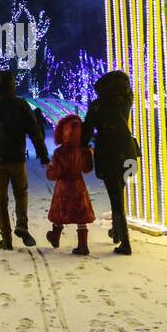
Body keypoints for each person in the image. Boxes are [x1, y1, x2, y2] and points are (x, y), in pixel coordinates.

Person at [0, 70, 49, 249]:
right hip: (17, 159)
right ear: (13, 84)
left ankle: (6, 239)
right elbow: (35, 132)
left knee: (1, 199)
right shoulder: (21, 105)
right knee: (21, 193)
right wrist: (44, 157)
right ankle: (21, 224)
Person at [80, 70, 139, 255]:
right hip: (128, 151)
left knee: (115, 198)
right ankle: (117, 232)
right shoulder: (124, 102)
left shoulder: (97, 105)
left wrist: (83, 145)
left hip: (108, 153)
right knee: (118, 191)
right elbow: (130, 91)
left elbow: (86, 132)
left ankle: (125, 243)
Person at [45, 113, 96, 256]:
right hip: (78, 184)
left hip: (63, 187)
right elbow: (87, 170)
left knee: (60, 212)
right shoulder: (83, 151)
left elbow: (54, 174)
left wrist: (50, 170)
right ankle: (83, 245)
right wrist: (89, 155)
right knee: (80, 214)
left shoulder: (59, 152)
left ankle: (55, 236)